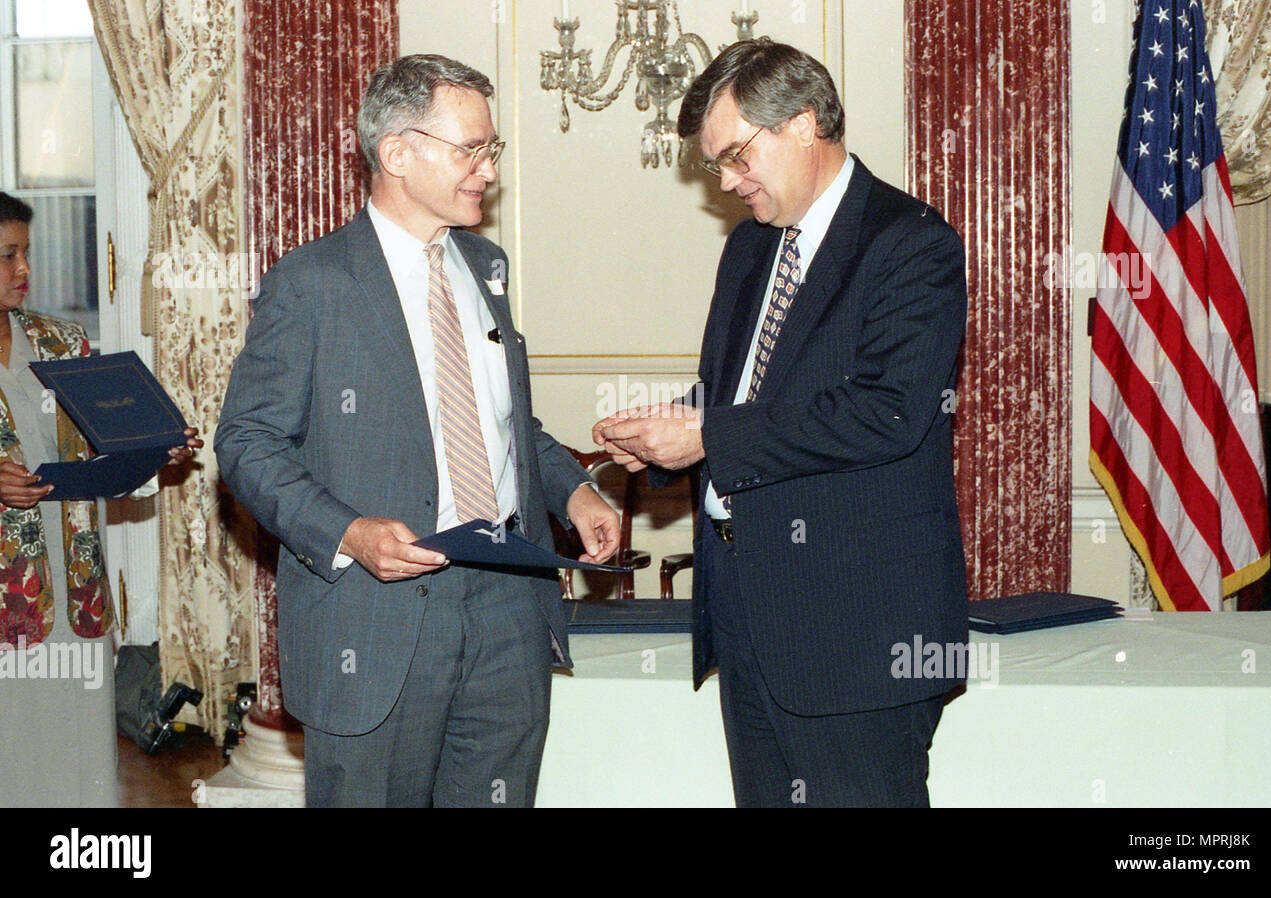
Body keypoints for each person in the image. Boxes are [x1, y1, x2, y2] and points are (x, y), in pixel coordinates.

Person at [215, 54, 620, 808]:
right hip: (375, 620)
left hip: (507, 608)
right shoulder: (312, 283)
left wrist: (575, 494)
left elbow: (507, 422)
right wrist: (348, 533)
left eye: (490, 150)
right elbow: (246, 443)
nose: (487, 171)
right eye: (470, 150)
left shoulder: (486, 265)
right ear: (397, 152)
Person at [593, 40, 969, 807]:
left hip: (861, 640)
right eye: (715, 167)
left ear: (802, 123)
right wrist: (667, 440)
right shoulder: (749, 250)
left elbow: (888, 412)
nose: (728, 183)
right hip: (748, 624)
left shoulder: (911, 242)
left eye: (735, 156)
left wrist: (708, 436)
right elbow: (739, 398)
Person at [0, 191, 199, 807]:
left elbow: (104, 457)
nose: (24, 271)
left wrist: (153, 453)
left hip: (75, 588)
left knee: (77, 759)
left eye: (26, 254)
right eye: (8, 256)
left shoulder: (65, 345)